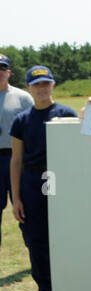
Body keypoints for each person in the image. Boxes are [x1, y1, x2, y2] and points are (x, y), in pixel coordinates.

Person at [7, 64, 77, 291]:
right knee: (37, 242)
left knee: (67, 238)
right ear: (28, 88)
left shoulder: (66, 113)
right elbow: (16, 160)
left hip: (62, 180)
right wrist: (16, 198)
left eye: (46, 83)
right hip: (33, 182)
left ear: (53, 85)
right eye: (36, 85)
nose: (42, 88)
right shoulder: (21, 121)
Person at [0, 54, 35, 252]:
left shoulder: (23, 98)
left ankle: (33, 250)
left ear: (9, 72)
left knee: (24, 208)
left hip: (17, 160)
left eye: (2, 68)